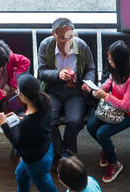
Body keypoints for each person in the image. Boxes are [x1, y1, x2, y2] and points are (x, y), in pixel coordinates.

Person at [0, 74, 63, 192]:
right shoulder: (46, 102)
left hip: (36, 161)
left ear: (22, 96)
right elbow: (36, 122)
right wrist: (22, 119)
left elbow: (18, 144)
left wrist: (4, 125)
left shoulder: (27, 124)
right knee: (20, 174)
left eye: (18, 91)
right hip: (45, 149)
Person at [37, 18, 97, 167]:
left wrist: (87, 83)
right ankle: (61, 153)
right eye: (62, 37)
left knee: (74, 120)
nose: (66, 41)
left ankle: (65, 152)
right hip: (53, 89)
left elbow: (90, 68)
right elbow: (41, 72)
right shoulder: (46, 45)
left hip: (75, 91)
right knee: (47, 120)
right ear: (54, 34)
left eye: (69, 36)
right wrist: (57, 74)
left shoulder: (81, 46)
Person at [86, 40, 130, 184]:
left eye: (111, 60)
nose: (109, 61)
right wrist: (96, 89)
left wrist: (105, 96)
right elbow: (110, 82)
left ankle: (115, 164)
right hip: (114, 104)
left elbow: (126, 106)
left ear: (119, 61)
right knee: (91, 126)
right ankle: (109, 149)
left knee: (102, 133)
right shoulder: (120, 67)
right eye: (108, 58)